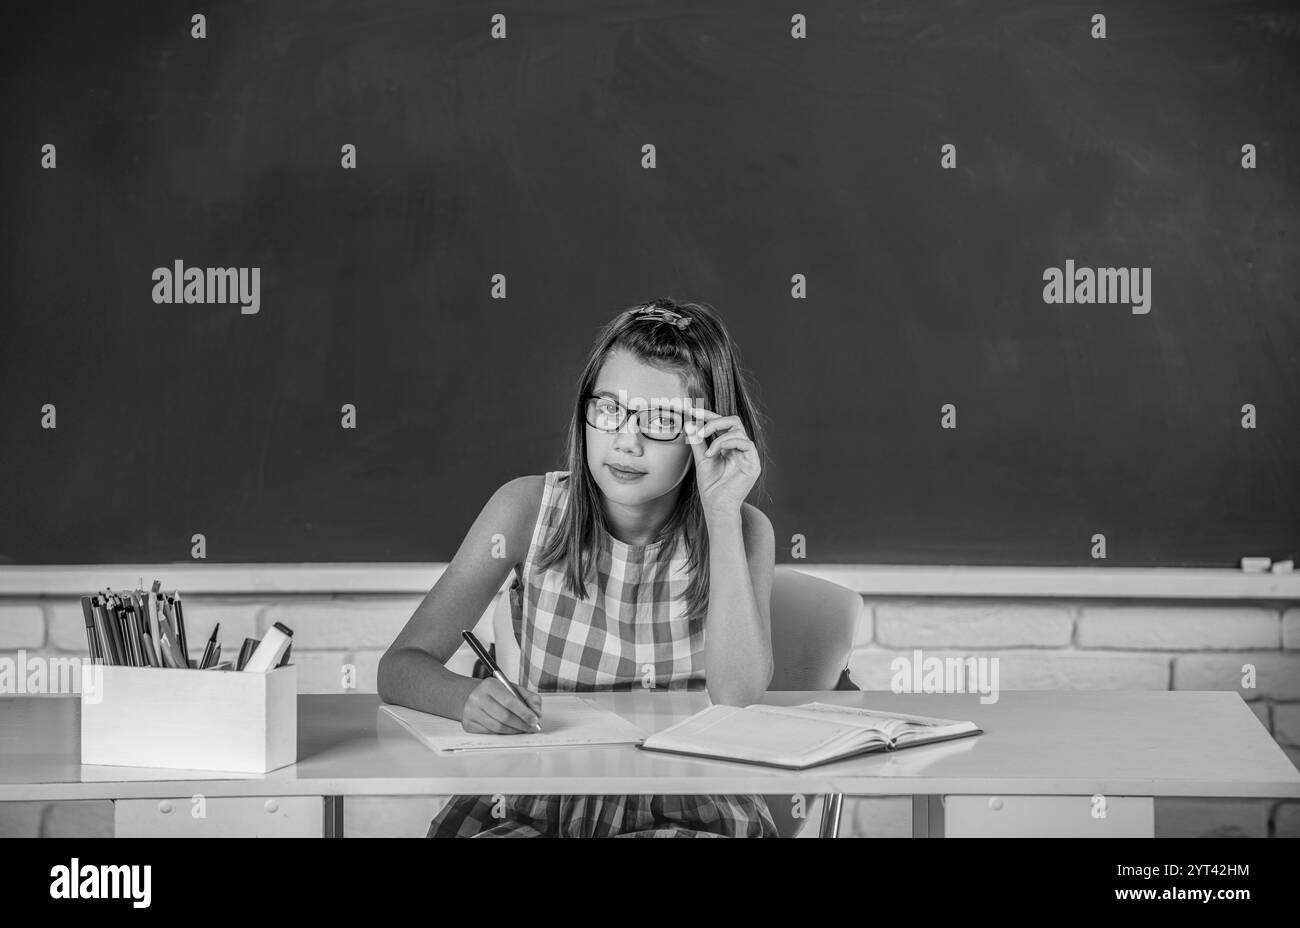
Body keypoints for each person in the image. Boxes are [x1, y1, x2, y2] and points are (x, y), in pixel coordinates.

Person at [378, 298, 778, 837]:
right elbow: (401, 665)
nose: (625, 440)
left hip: (685, 801)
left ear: (704, 433)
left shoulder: (744, 528)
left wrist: (722, 511)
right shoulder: (525, 510)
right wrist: (467, 699)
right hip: (541, 797)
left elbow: (739, 697)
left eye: (661, 420)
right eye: (609, 409)